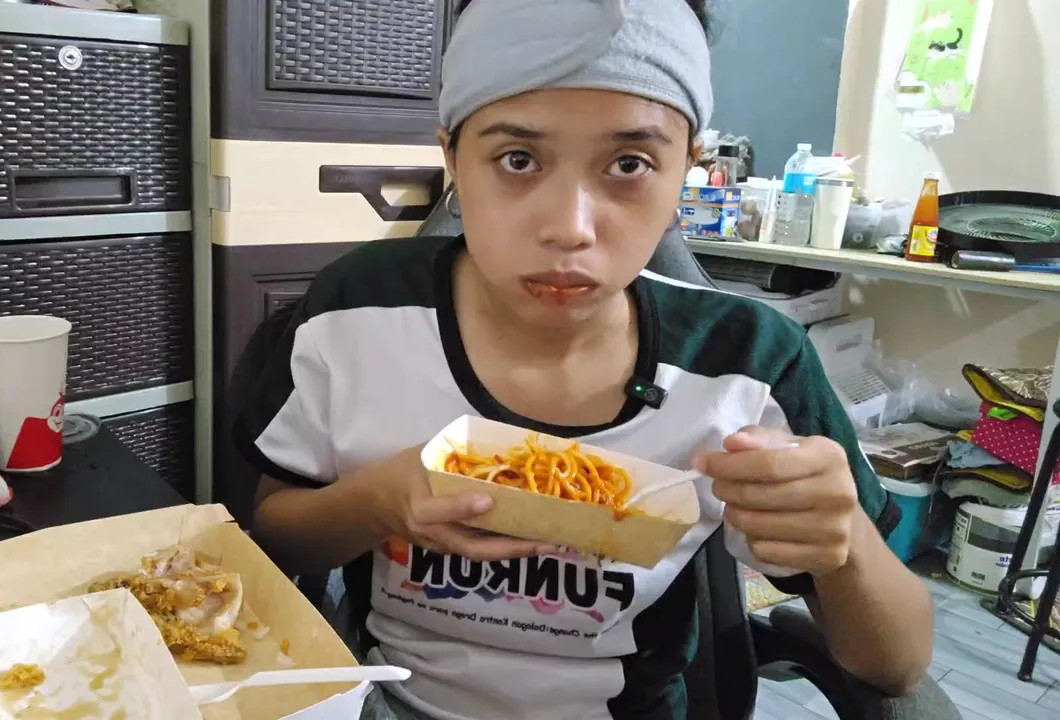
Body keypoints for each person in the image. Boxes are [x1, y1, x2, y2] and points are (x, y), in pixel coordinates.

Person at [236, 1, 935, 718]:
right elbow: (275, 541)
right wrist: (378, 501)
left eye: (630, 164)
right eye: (517, 160)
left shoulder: (747, 366)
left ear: (687, 168)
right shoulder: (356, 316)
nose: (570, 229)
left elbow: (897, 664)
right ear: (453, 159)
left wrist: (844, 543)